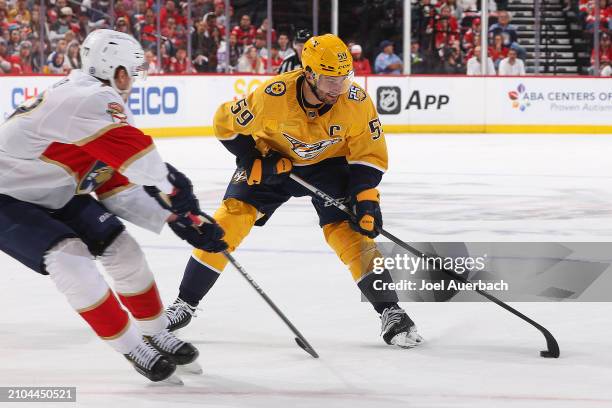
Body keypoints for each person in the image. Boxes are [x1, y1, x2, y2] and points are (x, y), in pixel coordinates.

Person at [164, 34, 424, 349]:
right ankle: (185, 303)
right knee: (228, 221)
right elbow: (224, 124)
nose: (338, 88)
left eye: (344, 78)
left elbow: (369, 156)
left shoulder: (356, 102)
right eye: (330, 79)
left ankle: (391, 311)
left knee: (353, 233)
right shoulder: (272, 96)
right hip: (275, 164)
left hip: (329, 167)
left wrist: (365, 199)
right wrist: (254, 160)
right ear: (309, 72)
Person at [0, 29, 227, 383]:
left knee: (124, 251)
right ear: (118, 70)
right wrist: (177, 194)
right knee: (68, 256)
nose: (134, 80)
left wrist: (174, 218)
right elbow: (143, 163)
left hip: (57, 193)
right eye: (133, 72)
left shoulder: (95, 103)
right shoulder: (88, 97)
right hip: (6, 200)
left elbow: (112, 181)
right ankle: (133, 346)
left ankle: (155, 331)